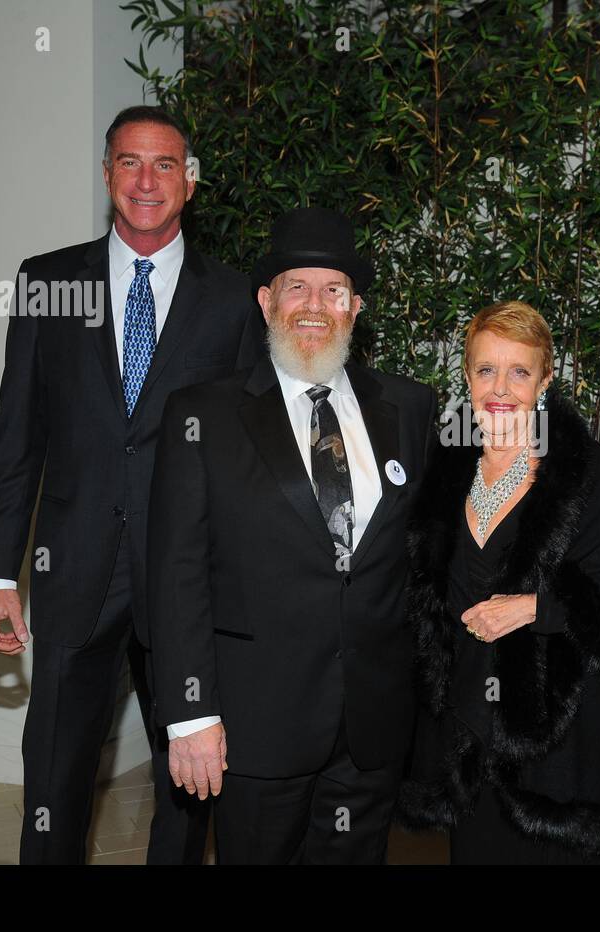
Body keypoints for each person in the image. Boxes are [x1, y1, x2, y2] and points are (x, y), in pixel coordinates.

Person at [0, 105, 260, 864]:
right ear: (106, 175)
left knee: (188, 783)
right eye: (129, 162)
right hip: (71, 574)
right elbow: (17, 437)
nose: (146, 180)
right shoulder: (46, 281)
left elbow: (246, 457)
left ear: (190, 182)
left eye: (166, 164)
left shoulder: (235, 301)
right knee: (55, 779)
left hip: (187, 581)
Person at [147, 206, 437, 864]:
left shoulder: (410, 407)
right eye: (295, 287)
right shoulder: (202, 415)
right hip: (255, 729)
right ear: (265, 299)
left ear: (356, 305)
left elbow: (425, 561)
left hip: (370, 731)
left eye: (332, 290)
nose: (314, 305)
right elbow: (175, 574)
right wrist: (190, 714)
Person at [397, 301, 600, 864]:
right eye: (485, 370)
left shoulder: (583, 474)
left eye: (520, 371)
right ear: (466, 376)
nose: (501, 388)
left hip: (557, 747)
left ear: (546, 379)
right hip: (466, 732)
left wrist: (536, 609)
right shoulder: (444, 464)